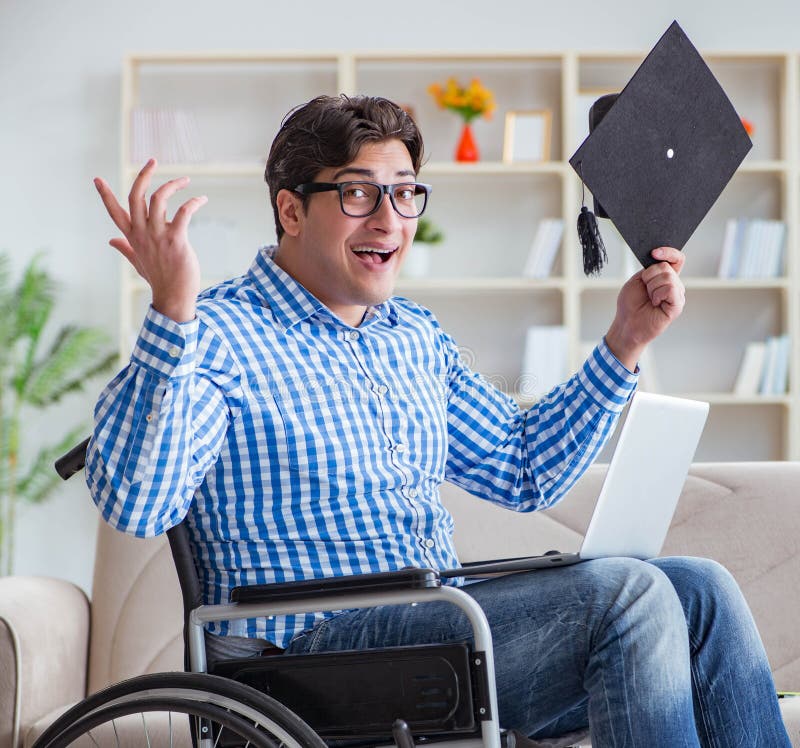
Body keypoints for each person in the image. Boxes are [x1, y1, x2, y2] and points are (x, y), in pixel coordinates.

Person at [88, 94, 790, 746]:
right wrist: (172, 315)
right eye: (359, 193)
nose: (389, 220)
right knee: (626, 595)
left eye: (404, 193)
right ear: (292, 211)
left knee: (702, 588)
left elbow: (524, 466)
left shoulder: (414, 338)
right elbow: (138, 502)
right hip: (305, 667)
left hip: (436, 639)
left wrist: (624, 344)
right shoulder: (216, 333)